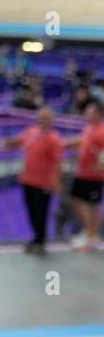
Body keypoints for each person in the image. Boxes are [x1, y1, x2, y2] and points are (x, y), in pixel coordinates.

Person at [5, 107, 63, 255]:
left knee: (41, 212)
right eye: (40, 117)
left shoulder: (54, 139)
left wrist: (56, 181)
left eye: (45, 118)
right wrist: (8, 142)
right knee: (30, 209)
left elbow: (57, 162)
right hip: (28, 179)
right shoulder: (31, 131)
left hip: (44, 183)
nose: (42, 120)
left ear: (51, 121)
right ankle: (36, 237)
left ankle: (40, 240)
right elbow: (19, 140)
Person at [67, 99, 104, 251]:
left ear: (100, 114)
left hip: (94, 175)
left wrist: (100, 167)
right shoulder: (89, 128)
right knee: (75, 199)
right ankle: (88, 231)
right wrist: (61, 144)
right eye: (87, 111)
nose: (87, 114)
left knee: (93, 205)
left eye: (91, 112)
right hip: (81, 172)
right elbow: (82, 141)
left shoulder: (102, 131)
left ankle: (93, 237)